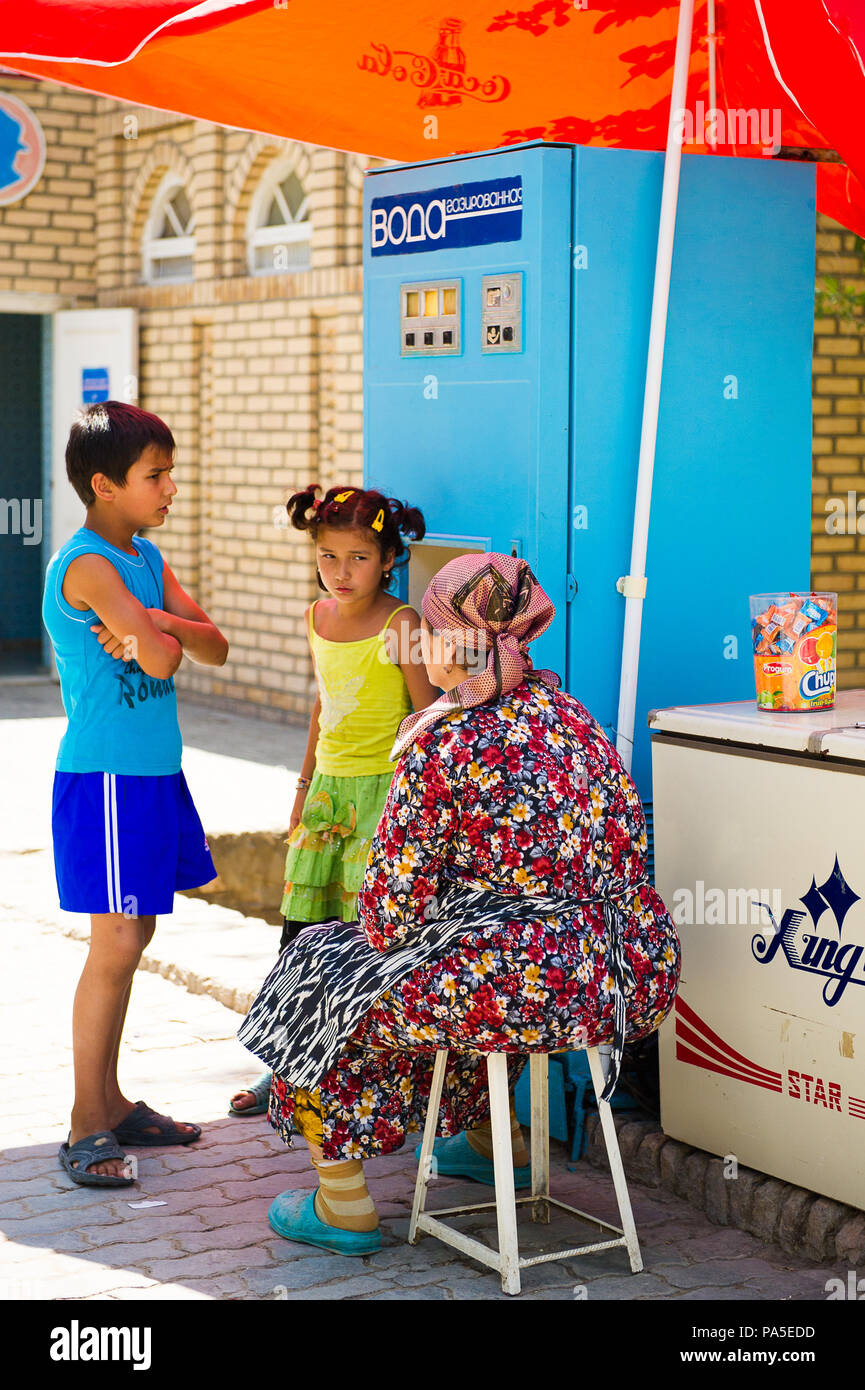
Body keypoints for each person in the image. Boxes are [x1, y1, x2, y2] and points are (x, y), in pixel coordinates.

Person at [238, 553, 681, 1255]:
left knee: (323, 964)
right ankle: (484, 1141)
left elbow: (389, 914)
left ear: (449, 640)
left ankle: (342, 1202)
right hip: (619, 975)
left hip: (513, 991)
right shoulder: (573, 715)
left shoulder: (444, 740)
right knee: (460, 961)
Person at [42, 401, 229, 1187]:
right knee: (114, 946)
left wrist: (152, 620)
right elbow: (160, 665)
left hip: (153, 775)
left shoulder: (145, 560)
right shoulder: (85, 564)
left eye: (169, 471)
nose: (171, 487)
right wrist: (162, 637)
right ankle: (87, 1125)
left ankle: (114, 1104)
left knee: (137, 939)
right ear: (104, 485)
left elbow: (211, 645)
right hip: (108, 779)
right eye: (156, 475)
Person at [228, 484, 438, 1116]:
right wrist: (301, 788)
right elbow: (323, 706)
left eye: (358, 558)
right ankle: (286, 1069)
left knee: (360, 940)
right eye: (327, 557)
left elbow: (428, 714)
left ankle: (355, 1076)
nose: (340, 574)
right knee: (300, 935)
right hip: (327, 797)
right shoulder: (316, 618)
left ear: (389, 561)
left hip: (382, 797)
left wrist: (414, 806)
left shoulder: (402, 624)